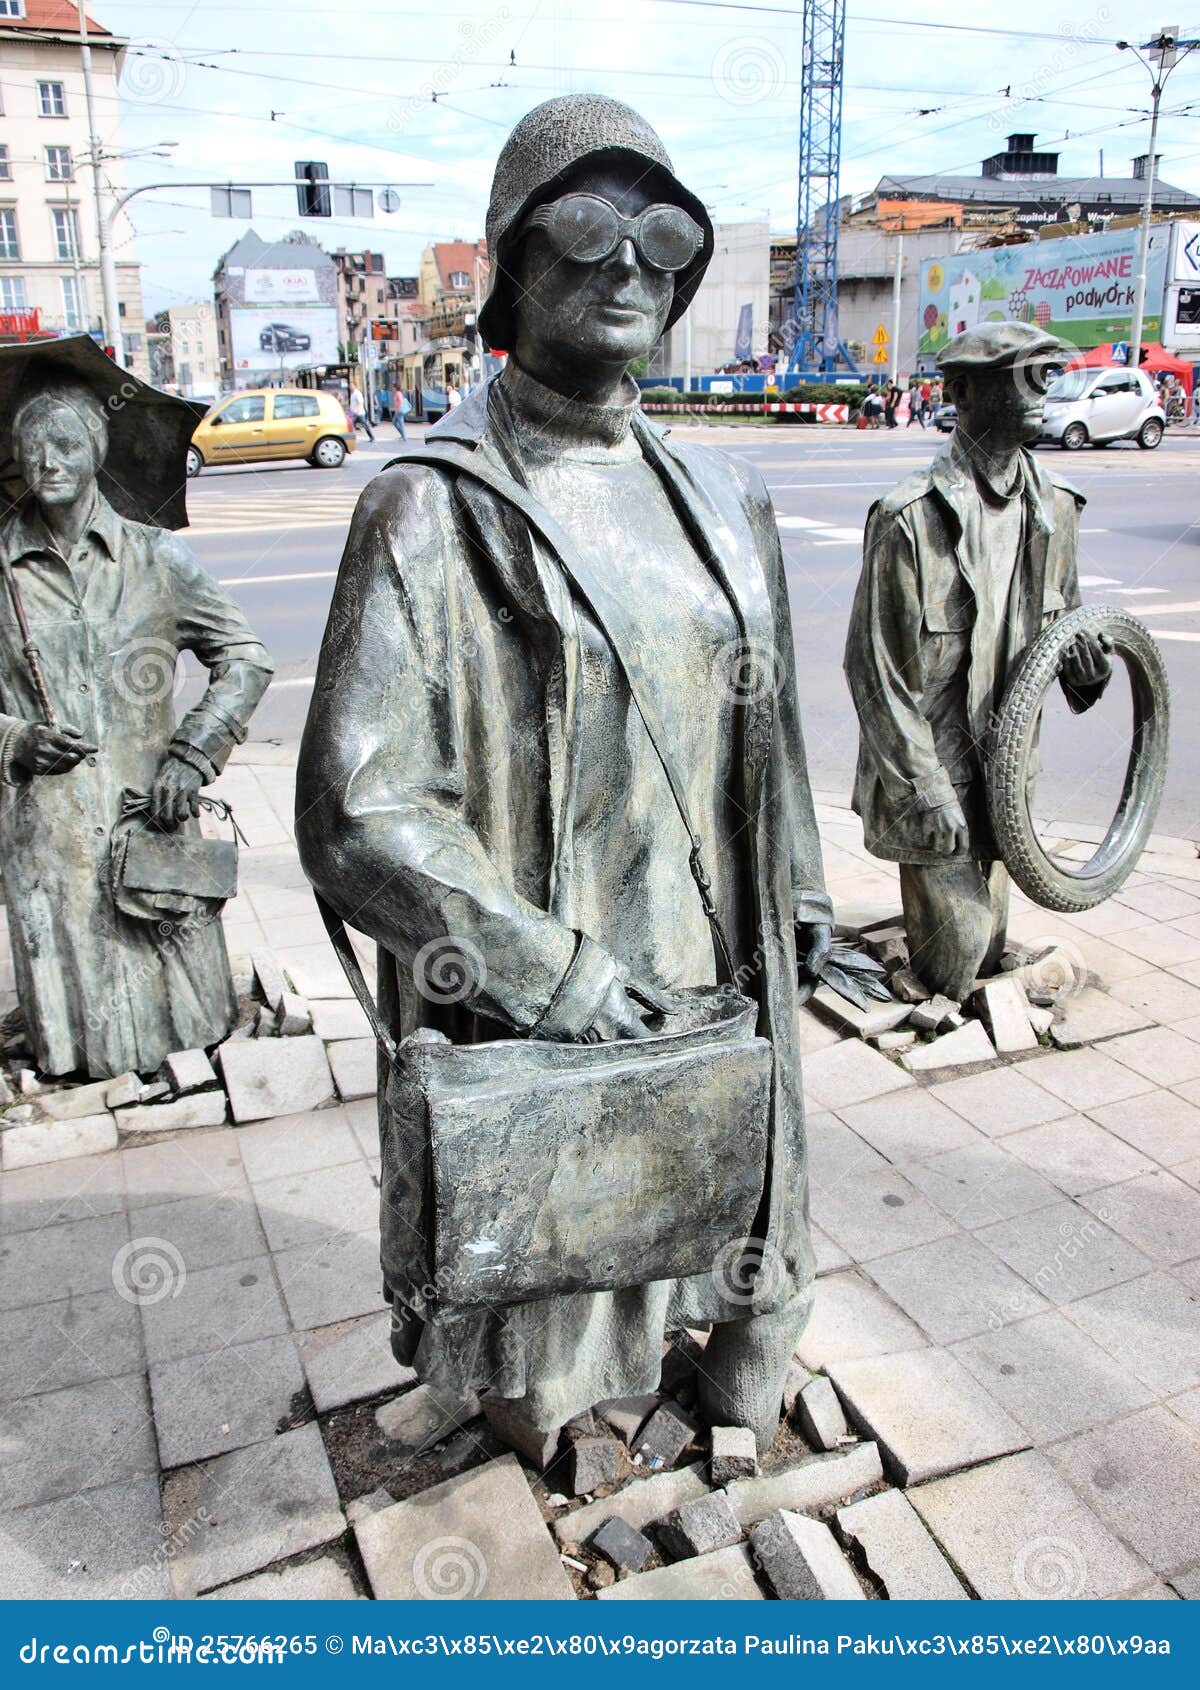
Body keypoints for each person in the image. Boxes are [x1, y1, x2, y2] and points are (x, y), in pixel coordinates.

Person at [297, 93, 832, 1451]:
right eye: (584, 225)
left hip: (712, 955)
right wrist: (551, 967)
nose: (628, 263)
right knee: (551, 1287)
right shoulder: (429, 502)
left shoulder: (725, 495)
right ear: (512, 266)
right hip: (555, 973)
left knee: (719, 1209)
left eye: (663, 231)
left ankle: (702, 1368)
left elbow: (765, 727)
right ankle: (557, 1422)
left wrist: (804, 894)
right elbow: (355, 806)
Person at [0, 376, 273, 1077]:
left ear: (95, 453)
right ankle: (88, 1067)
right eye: (33, 451)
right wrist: (16, 739)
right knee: (77, 1000)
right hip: (46, 822)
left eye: (65, 446)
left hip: (149, 804)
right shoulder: (1, 570)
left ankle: (188, 1060)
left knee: (174, 972)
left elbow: (244, 657)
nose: (48, 463)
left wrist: (193, 751)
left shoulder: (157, 558)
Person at [844, 322, 1112, 1002]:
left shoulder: (1056, 508)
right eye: (1020, 375)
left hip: (1006, 777)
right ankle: (930, 974)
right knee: (959, 961)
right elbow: (873, 670)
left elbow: (1077, 657)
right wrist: (921, 787)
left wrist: (1091, 662)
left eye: (1047, 373)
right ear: (962, 390)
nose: (1042, 389)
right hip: (933, 774)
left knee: (988, 944)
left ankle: (954, 971)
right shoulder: (910, 516)